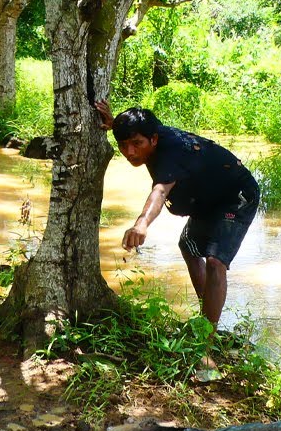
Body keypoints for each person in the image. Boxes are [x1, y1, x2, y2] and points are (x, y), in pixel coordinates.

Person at [96, 101, 260, 338]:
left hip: (236, 195)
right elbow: (134, 134)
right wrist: (116, 125)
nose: (130, 152)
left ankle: (206, 342)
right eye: (123, 144)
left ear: (153, 140)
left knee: (215, 262)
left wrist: (141, 223)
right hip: (205, 198)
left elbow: (160, 192)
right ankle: (207, 320)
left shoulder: (171, 153)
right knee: (189, 247)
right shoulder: (150, 132)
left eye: (136, 144)